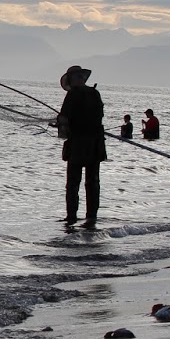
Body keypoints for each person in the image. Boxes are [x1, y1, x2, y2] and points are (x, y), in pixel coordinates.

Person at [56, 64, 106, 229]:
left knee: (73, 184)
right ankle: (92, 218)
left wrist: (60, 124)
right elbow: (98, 117)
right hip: (96, 145)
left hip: (78, 145)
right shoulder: (95, 93)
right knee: (93, 183)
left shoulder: (72, 95)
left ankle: (71, 218)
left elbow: (64, 120)